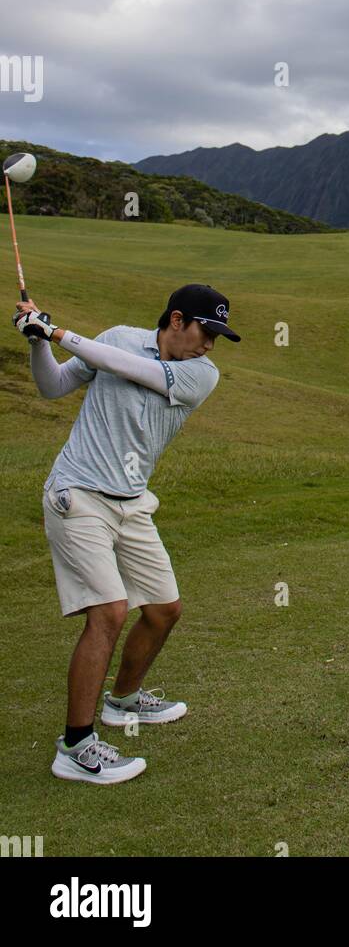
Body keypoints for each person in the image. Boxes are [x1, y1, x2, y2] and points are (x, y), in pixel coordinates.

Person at [14, 283, 240, 785]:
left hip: (132, 501)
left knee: (163, 610)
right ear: (176, 320)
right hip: (78, 494)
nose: (210, 345)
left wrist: (56, 329)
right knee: (110, 611)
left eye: (218, 337)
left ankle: (123, 702)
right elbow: (53, 387)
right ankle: (75, 746)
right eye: (206, 331)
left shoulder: (201, 374)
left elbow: (126, 368)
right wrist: (38, 342)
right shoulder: (117, 337)